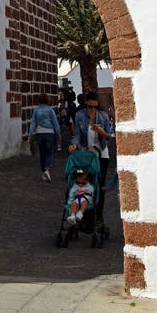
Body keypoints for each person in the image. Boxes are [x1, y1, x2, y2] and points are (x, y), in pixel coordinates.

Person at [69, 91, 111, 225]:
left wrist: (100, 130)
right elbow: (77, 135)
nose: (92, 109)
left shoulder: (103, 116)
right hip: (86, 155)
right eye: (90, 106)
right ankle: (84, 214)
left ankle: (99, 217)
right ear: (86, 104)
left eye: (95, 107)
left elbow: (107, 136)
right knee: (84, 183)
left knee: (100, 186)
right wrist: (74, 145)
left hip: (101, 154)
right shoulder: (79, 116)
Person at [28, 93, 61, 181]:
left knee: (42, 154)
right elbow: (55, 123)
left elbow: (33, 123)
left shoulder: (36, 110)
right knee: (49, 152)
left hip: (40, 133)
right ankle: (47, 169)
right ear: (47, 100)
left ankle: (43, 172)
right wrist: (58, 134)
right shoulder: (50, 110)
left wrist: (30, 136)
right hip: (50, 133)